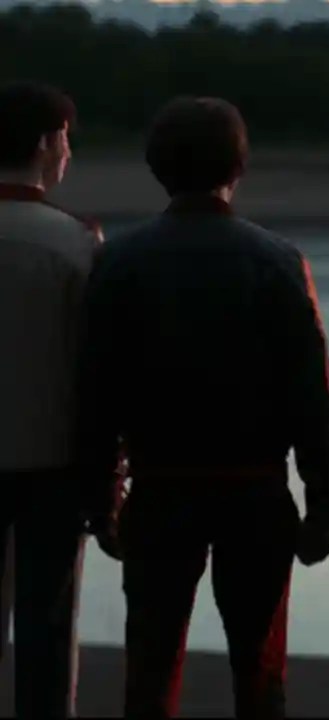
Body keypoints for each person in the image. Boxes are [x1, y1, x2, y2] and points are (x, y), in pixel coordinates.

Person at [76, 97, 329, 718]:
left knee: (150, 666)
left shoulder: (118, 262)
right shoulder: (278, 262)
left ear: (157, 168)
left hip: (159, 488)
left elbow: (95, 392)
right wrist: (325, 500)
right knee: (259, 672)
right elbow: (311, 395)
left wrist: (100, 497)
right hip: (255, 492)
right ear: (239, 167)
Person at [0, 81, 100, 719]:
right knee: (48, 630)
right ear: (45, 144)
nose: (68, 154)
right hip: (53, 469)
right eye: (65, 139)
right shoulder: (74, 242)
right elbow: (98, 369)